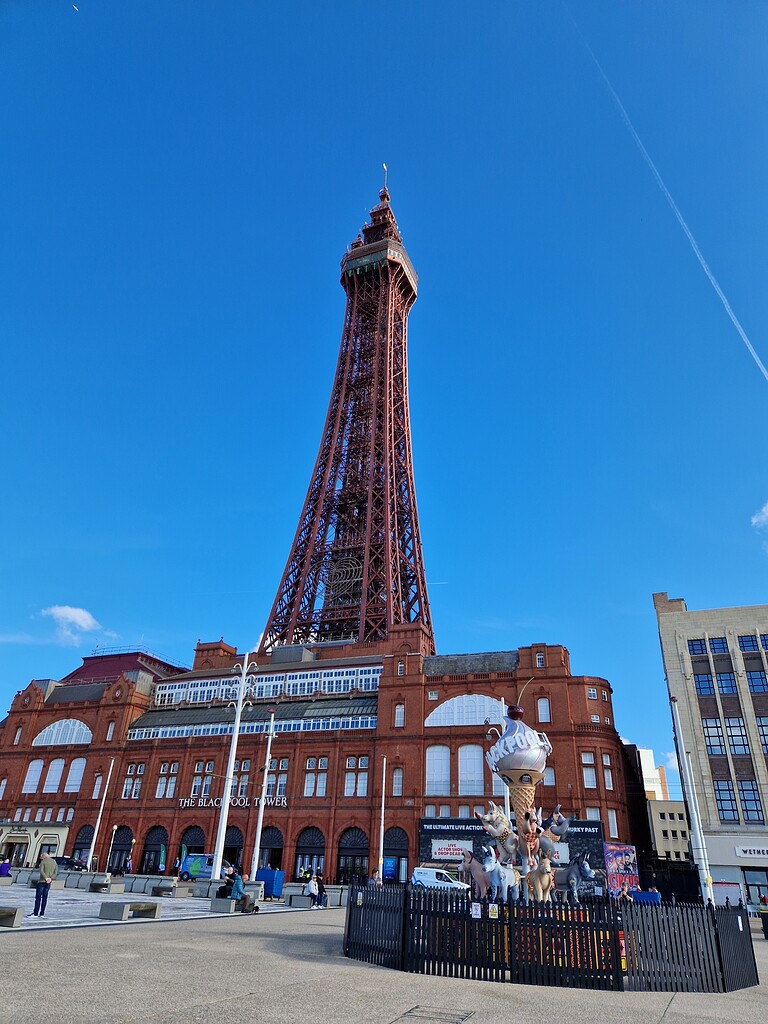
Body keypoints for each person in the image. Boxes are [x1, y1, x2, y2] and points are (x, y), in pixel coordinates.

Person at [29, 852, 58, 917]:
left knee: (38, 897)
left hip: (42, 881)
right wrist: (50, 878)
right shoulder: (54, 862)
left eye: (41, 857)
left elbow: (41, 871)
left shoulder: (43, 862)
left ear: (43, 856)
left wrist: (45, 878)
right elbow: (56, 872)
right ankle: (42, 913)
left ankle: (35, 913)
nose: (41, 858)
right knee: (45, 897)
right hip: (49, 882)